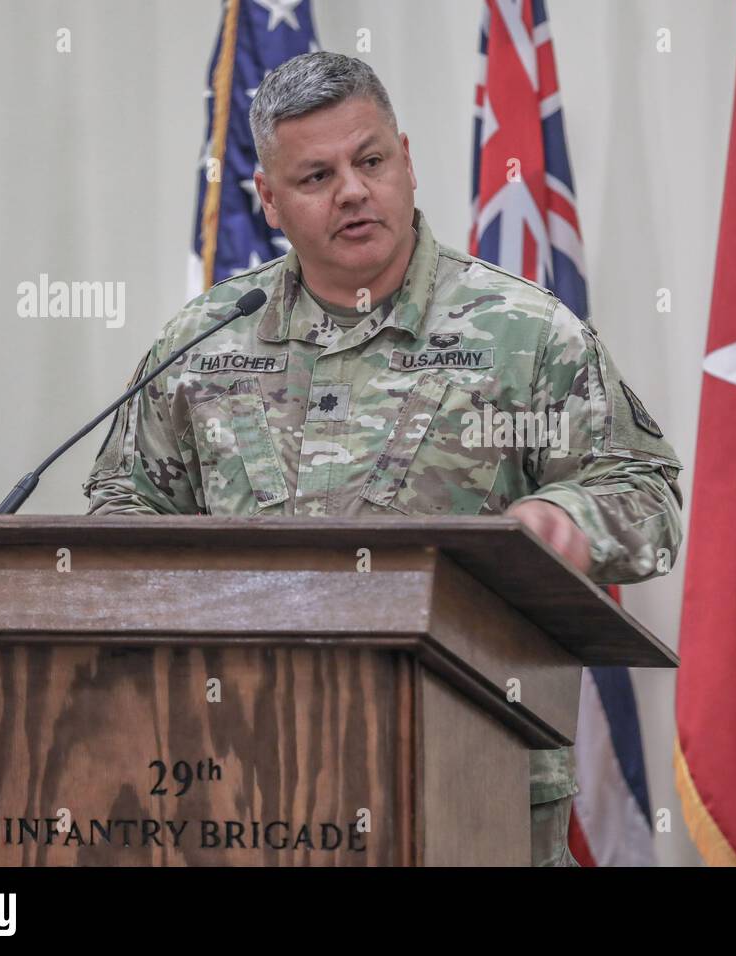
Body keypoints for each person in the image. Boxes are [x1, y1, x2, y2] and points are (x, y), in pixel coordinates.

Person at [84, 51, 683, 867]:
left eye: (370, 161)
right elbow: (122, 511)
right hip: (242, 790)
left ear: (407, 159)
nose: (354, 191)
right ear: (269, 200)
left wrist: (567, 519)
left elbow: (646, 494)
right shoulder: (201, 343)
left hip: (470, 786)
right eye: (317, 176)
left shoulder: (523, 331)